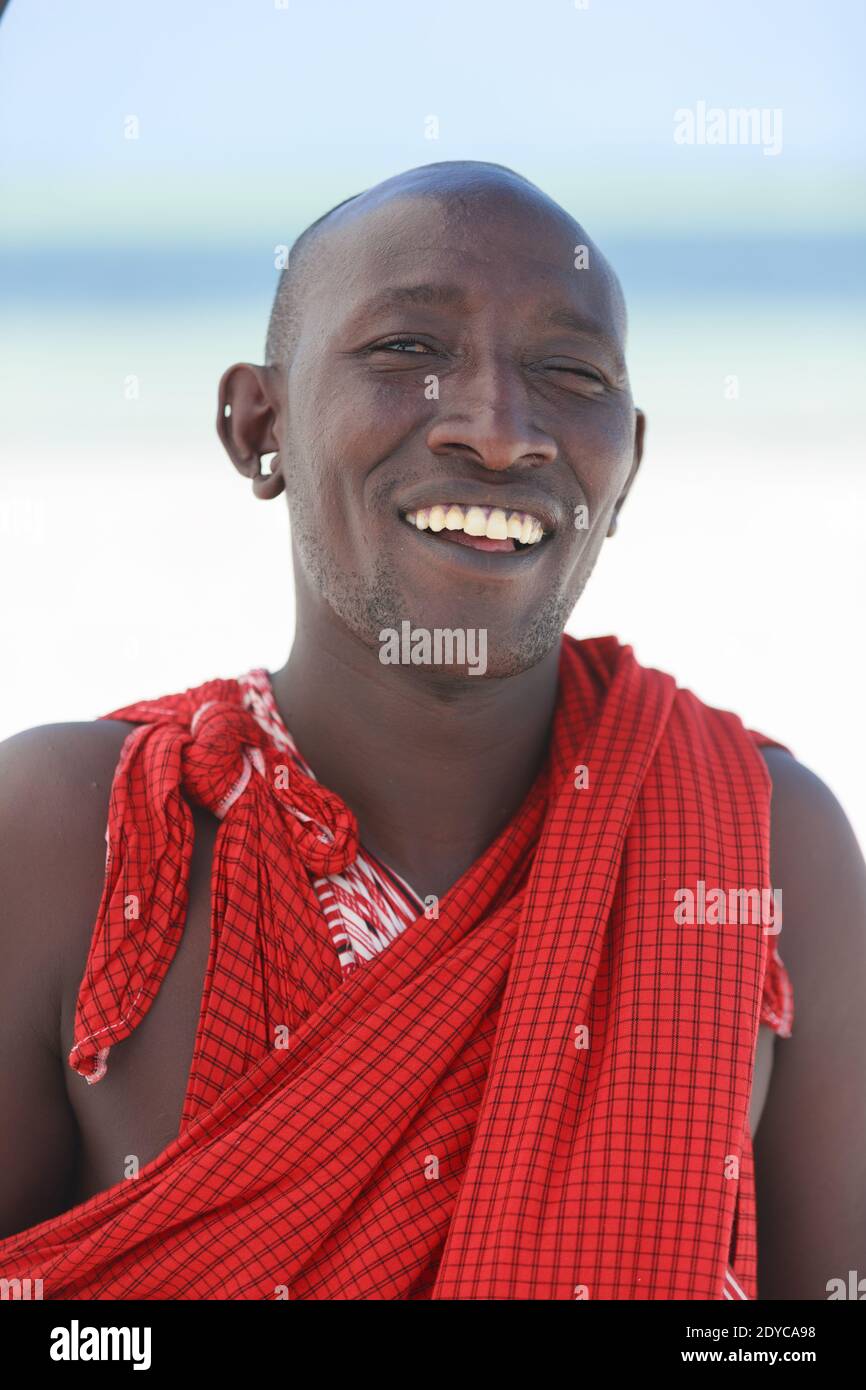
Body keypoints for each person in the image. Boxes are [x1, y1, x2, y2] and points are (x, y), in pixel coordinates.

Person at [0, 161, 863, 1301]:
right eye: (407, 351)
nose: (499, 434)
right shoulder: (80, 833)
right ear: (256, 423)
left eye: (568, 372)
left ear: (628, 464)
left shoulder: (755, 840)